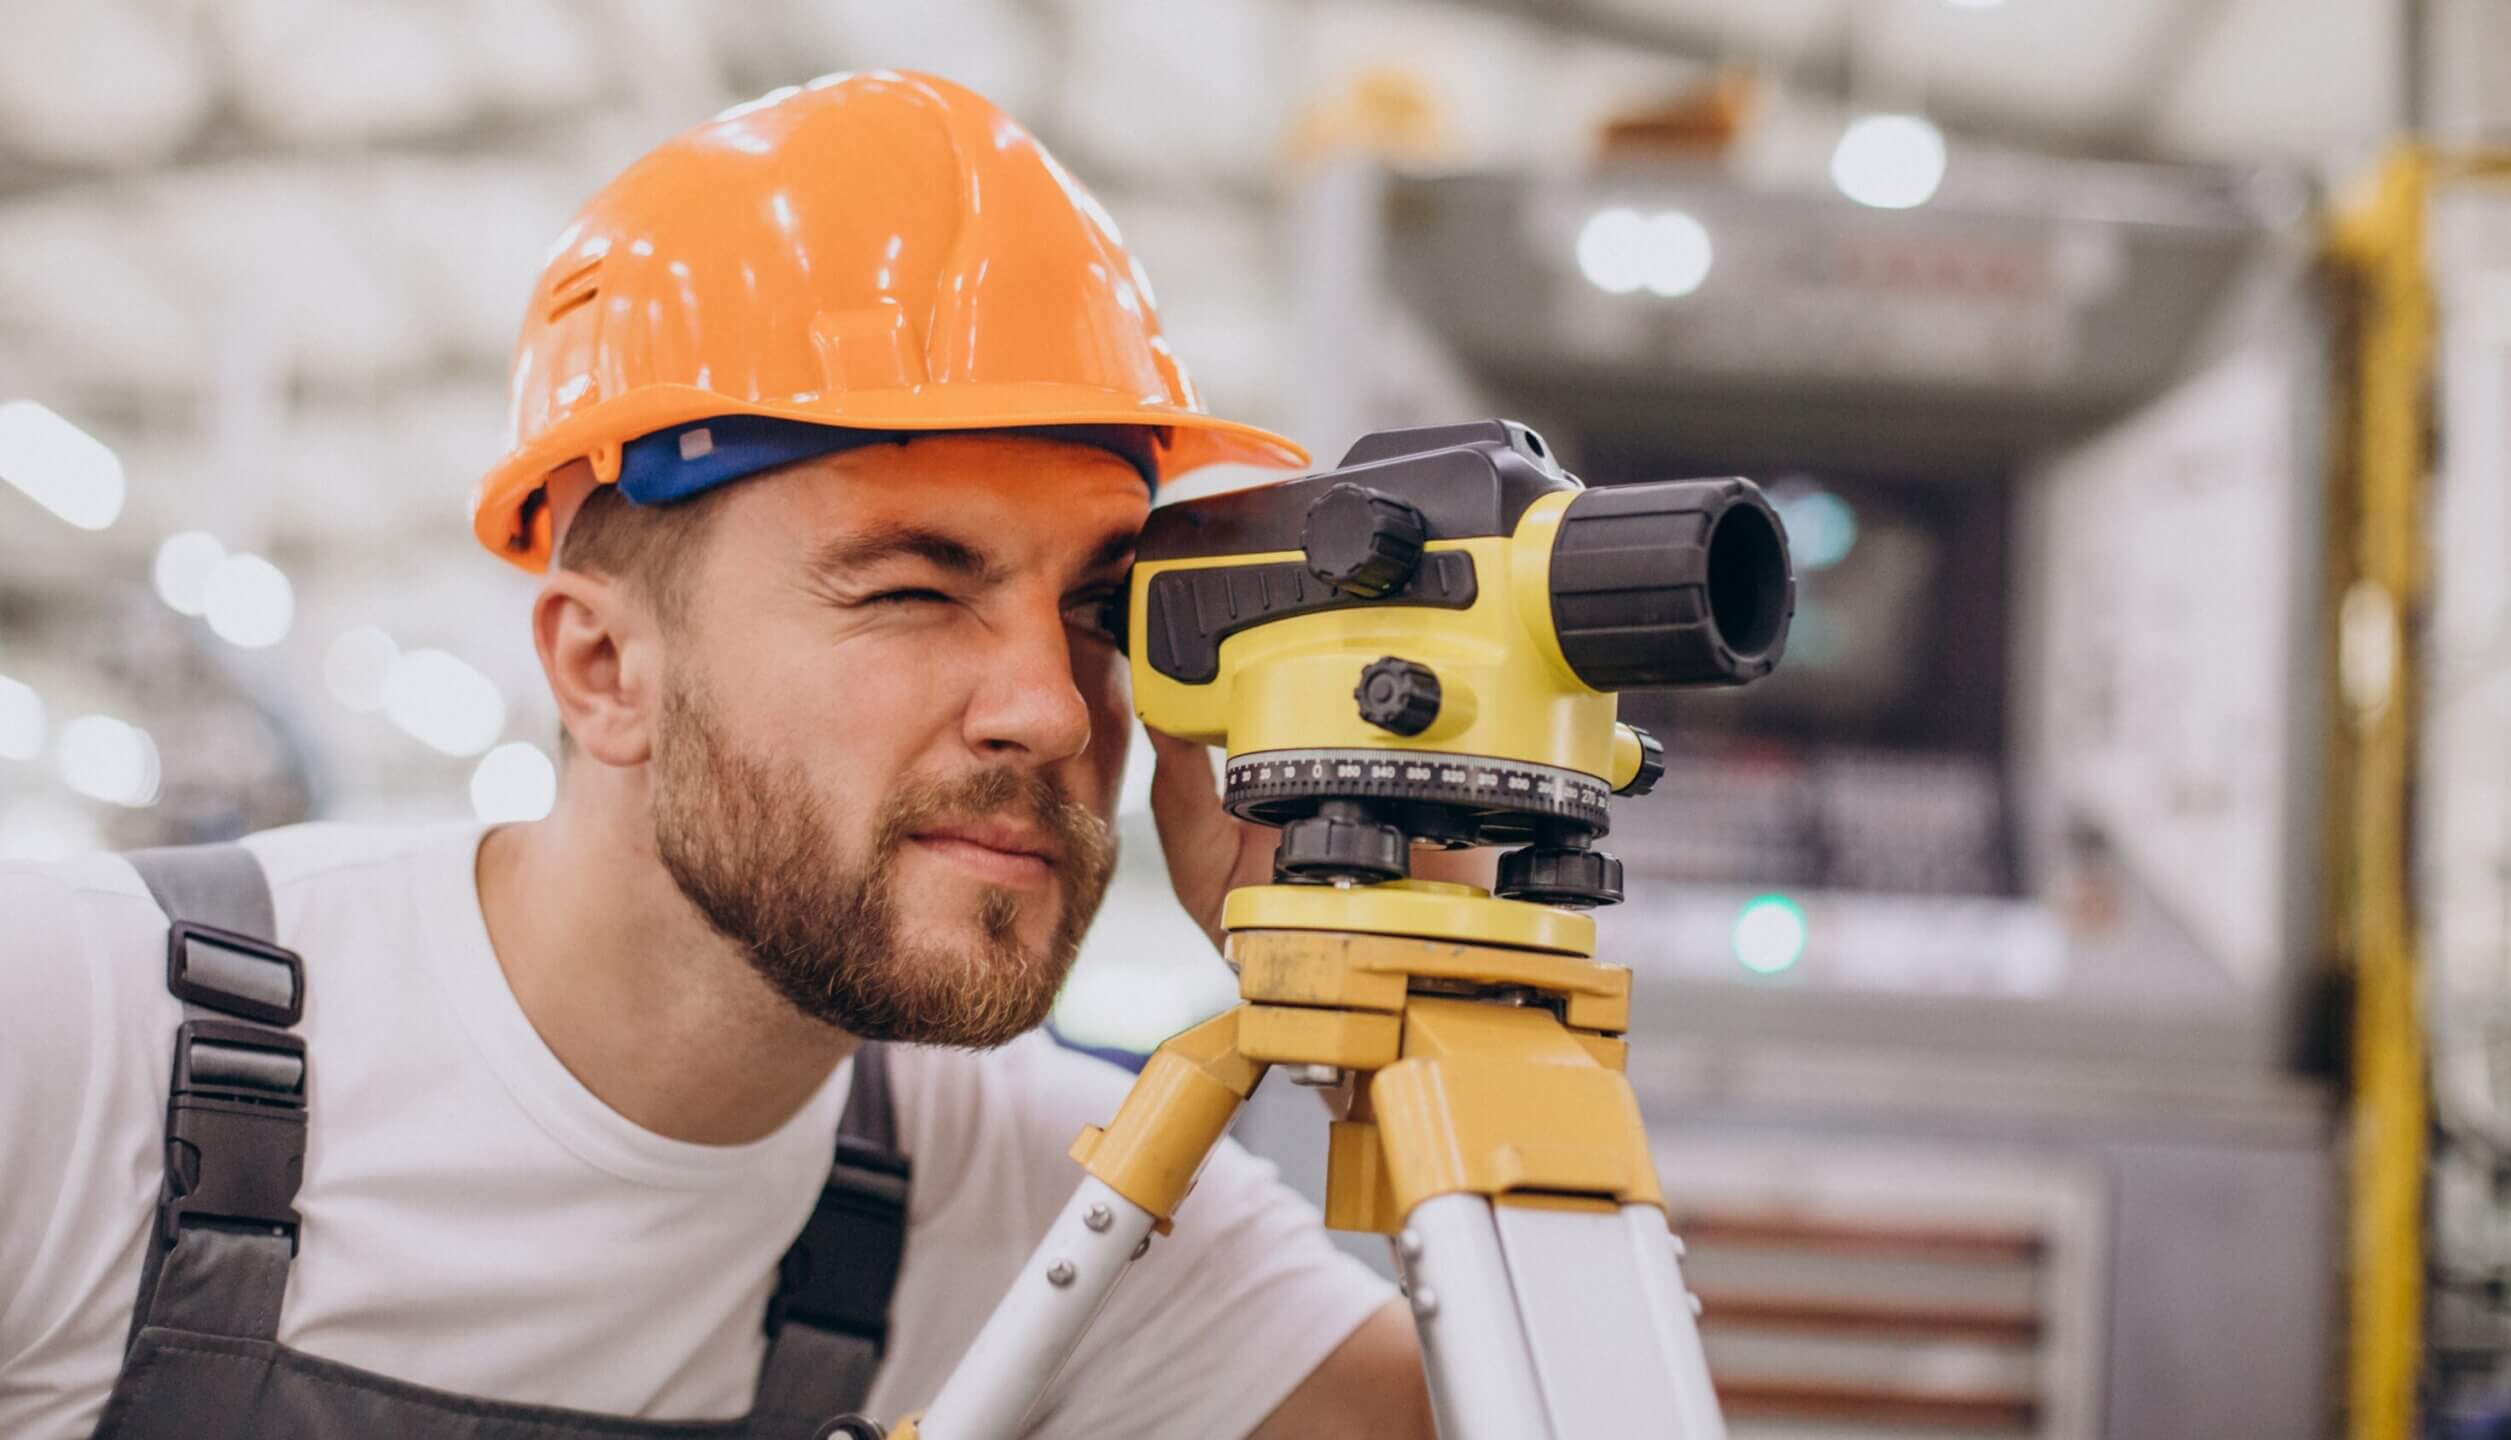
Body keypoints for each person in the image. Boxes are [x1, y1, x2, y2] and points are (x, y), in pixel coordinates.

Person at [0, 71, 1440, 1439]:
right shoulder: (71, 1043)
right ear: (603, 667)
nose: (1056, 709)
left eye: (1091, 606)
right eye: (915, 589)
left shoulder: (1044, 1197)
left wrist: (1415, 993)